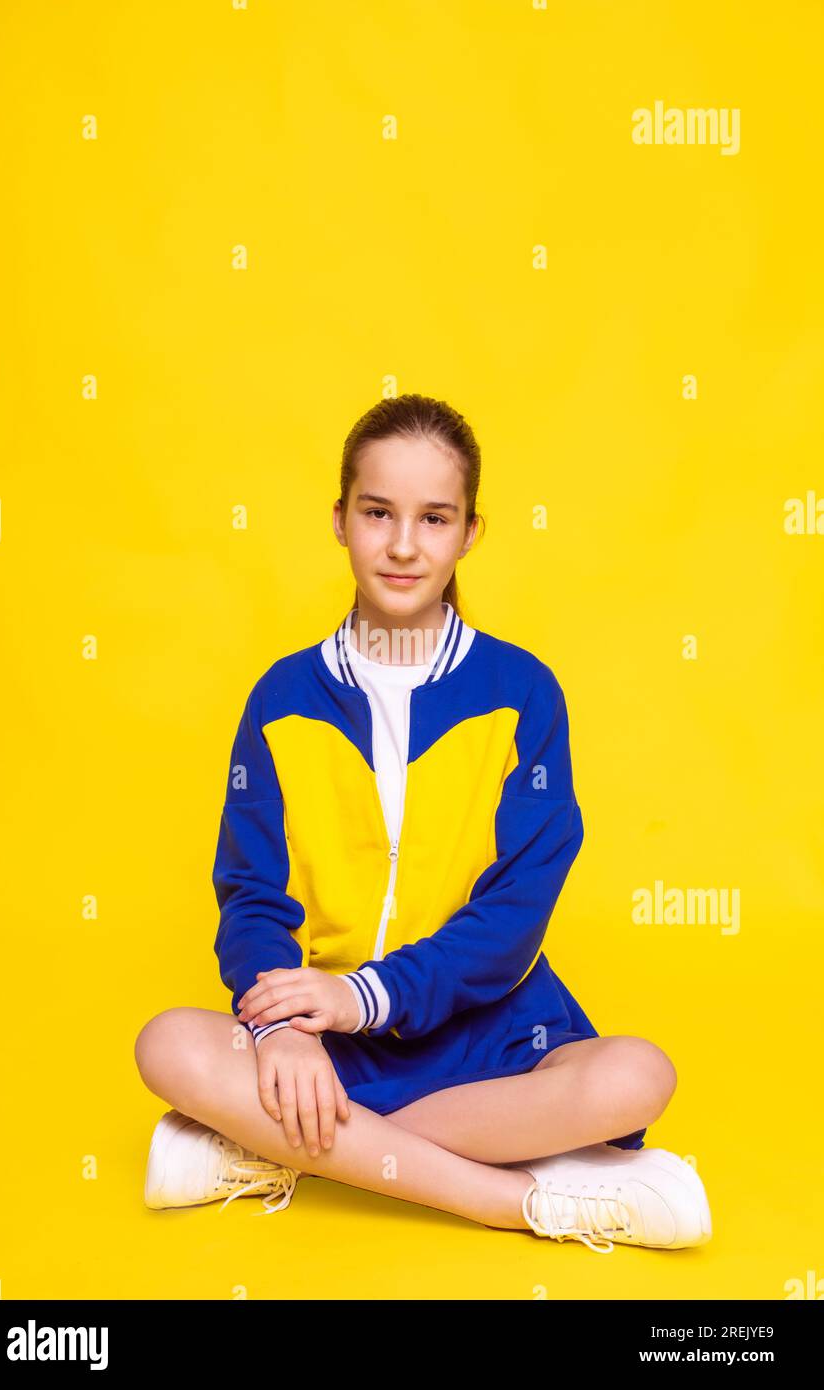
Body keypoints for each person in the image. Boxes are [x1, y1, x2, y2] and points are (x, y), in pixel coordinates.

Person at [134, 393, 712, 1254]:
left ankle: (280, 1147)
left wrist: (364, 996)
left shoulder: (522, 693)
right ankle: (514, 1199)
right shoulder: (281, 699)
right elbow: (250, 894)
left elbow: (514, 917)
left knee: (636, 1076)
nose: (404, 545)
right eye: (377, 513)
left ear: (469, 533)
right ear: (339, 521)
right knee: (169, 1045)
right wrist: (283, 1028)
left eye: (433, 518)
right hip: (322, 1035)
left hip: (495, 1031)